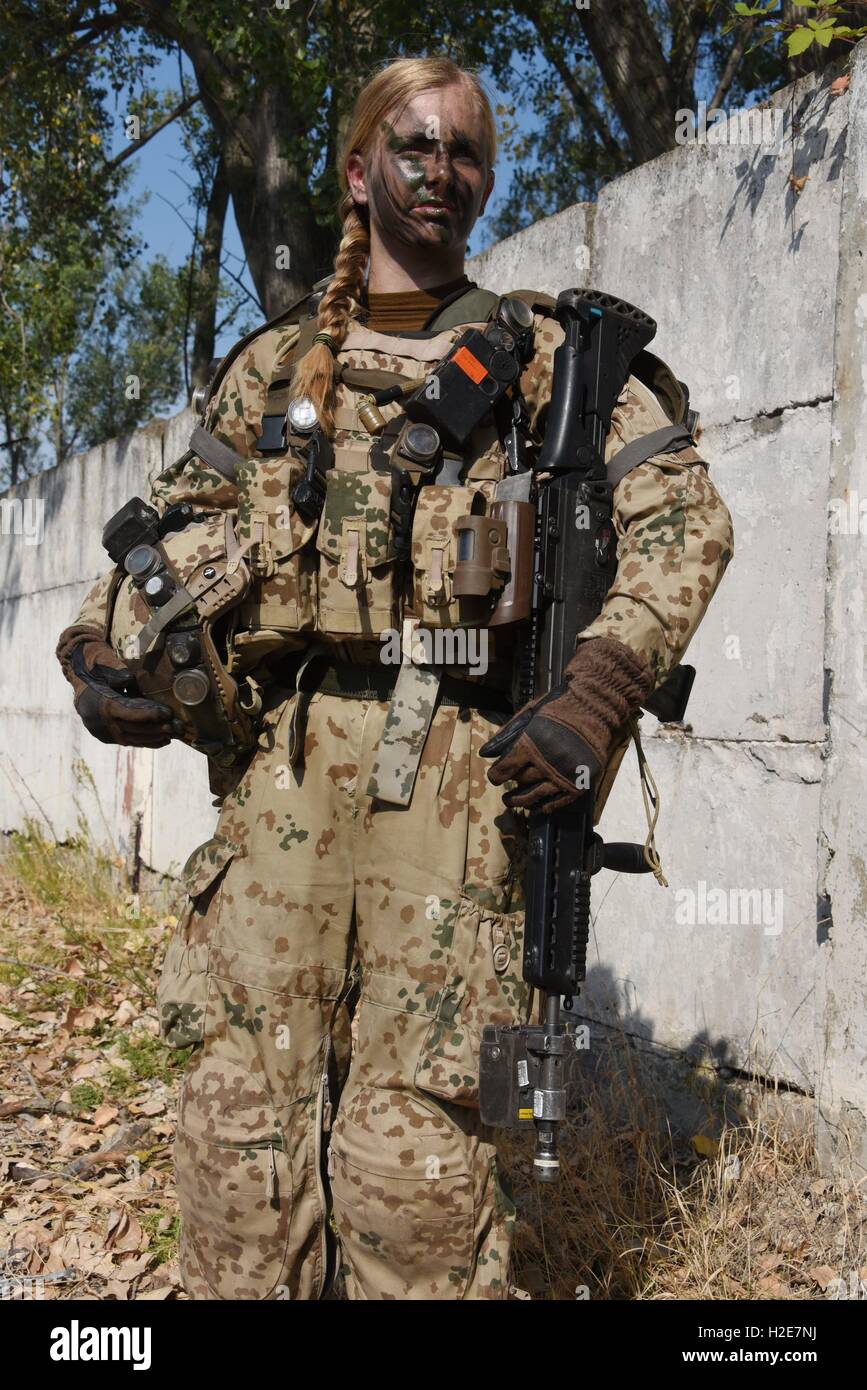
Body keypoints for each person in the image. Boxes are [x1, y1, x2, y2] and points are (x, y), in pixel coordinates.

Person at [56, 55, 734, 1300]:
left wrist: (592, 695)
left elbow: (687, 527)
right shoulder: (270, 369)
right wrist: (103, 654)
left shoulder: (546, 361)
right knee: (237, 1118)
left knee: (410, 1156)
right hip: (279, 772)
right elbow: (162, 538)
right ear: (360, 169)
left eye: (467, 152)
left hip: (458, 779)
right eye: (415, 146)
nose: (442, 171)